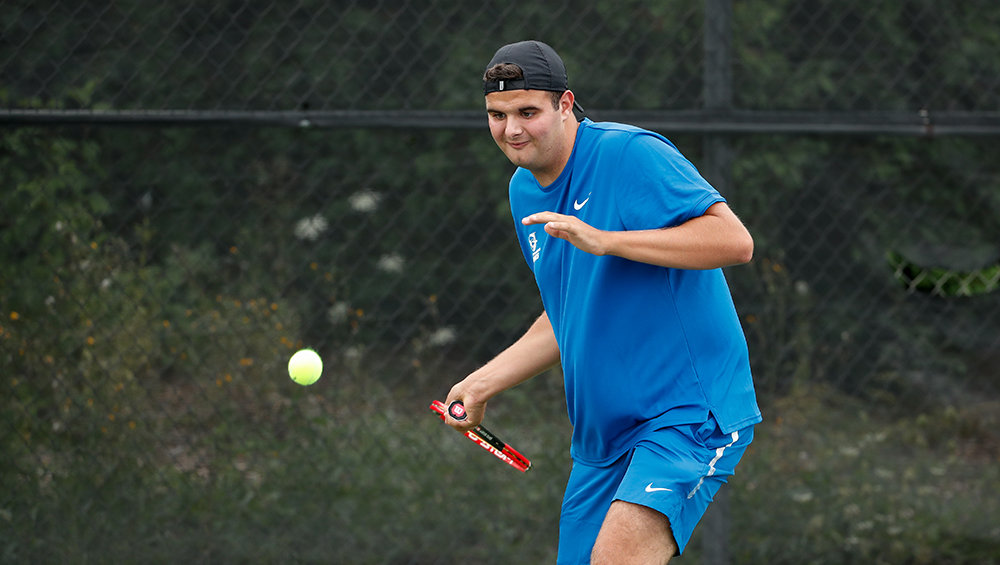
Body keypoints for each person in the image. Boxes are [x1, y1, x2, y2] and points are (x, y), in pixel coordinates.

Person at [443, 40, 761, 565]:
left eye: (528, 112)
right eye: (497, 115)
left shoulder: (628, 154)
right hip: (601, 437)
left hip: (686, 414)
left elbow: (734, 242)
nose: (512, 130)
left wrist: (608, 240)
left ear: (565, 105)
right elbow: (567, 313)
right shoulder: (523, 189)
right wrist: (481, 383)